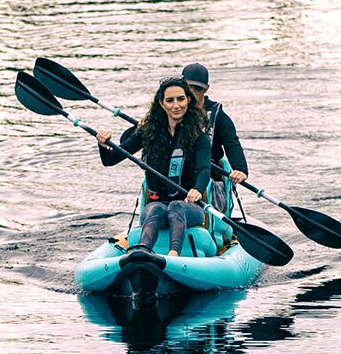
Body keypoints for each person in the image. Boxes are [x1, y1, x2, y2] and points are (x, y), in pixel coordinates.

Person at [96, 77, 211, 257]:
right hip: (157, 204)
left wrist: (198, 189)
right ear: (161, 104)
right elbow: (110, 160)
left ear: (188, 100)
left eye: (181, 99)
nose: (176, 105)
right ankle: (142, 251)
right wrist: (103, 145)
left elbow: (205, 169)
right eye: (170, 100)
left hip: (189, 207)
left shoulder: (199, 136)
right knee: (156, 208)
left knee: (176, 206)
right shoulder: (148, 132)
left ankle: (174, 255)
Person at [181, 63, 248, 208]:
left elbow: (232, 143)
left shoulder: (219, 116)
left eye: (198, 89)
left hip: (209, 169)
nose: (192, 93)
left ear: (206, 89)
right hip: (178, 166)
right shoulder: (172, 110)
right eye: (188, 88)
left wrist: (240, 169)